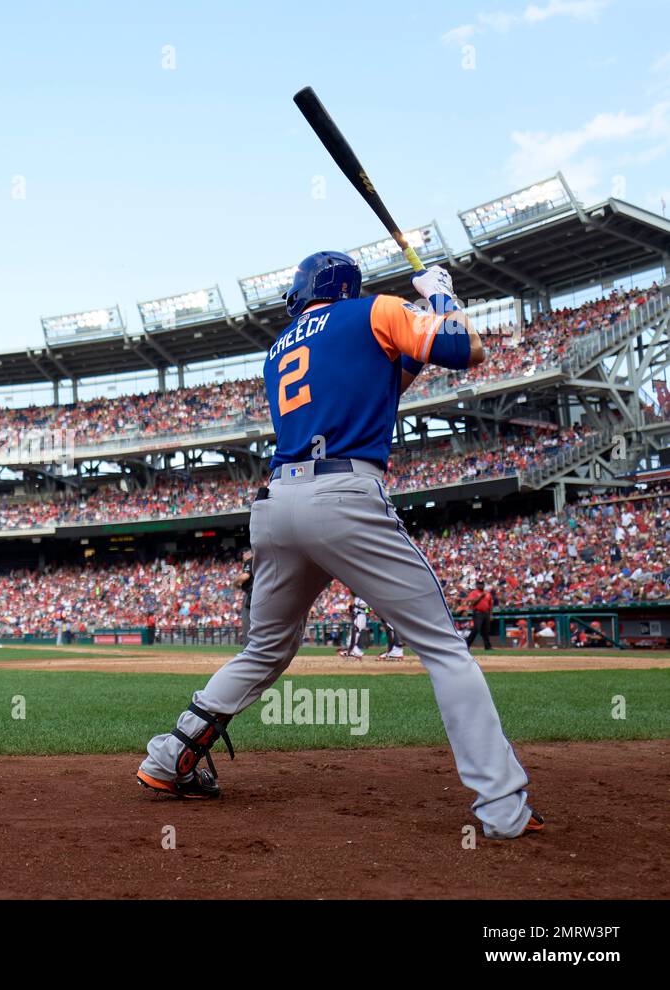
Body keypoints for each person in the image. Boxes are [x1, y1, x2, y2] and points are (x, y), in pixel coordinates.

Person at [135, 253, 542, 840]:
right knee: (444, 647)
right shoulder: (374, 310)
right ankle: (503, 809)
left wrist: (423, 321)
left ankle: (168, 757)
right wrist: (442, 299)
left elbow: (385, 377)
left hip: (276, 506)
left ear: (306, 292)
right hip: (345, 495)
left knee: (264, 650)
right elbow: (465, 349)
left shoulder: (280, 348)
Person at [463, 581, 496, 650]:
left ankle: (487, 646)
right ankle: (467, 644)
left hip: (486, 613)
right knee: (476, 628)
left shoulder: (487, 593)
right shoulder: (474, 593)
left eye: (482, 584)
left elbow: (490, 605)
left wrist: (491, 615)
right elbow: (472, 603)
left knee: (486, 630)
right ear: (477, 585)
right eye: (479, 584)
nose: (481, 585)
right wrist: (480, 596)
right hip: (478, 613)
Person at [337, 593, 368, 659]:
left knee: (355, 633)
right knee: (356, 634)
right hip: (360, 616)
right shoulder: (360, 598)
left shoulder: (360, 598)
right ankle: (356, 651)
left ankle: (352, 652)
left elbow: (365, 607)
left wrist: (357, 608)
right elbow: (368, 610)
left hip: (359, 616)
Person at [236, 549, 254, 645]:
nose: (242, 557)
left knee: (247, 621)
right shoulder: (259, 562)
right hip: (261, 595)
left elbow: (245, 576)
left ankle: (248, 648)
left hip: (251, 594)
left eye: (243, 554)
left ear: (247, 554)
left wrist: (235, 582)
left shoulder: (250, 561)